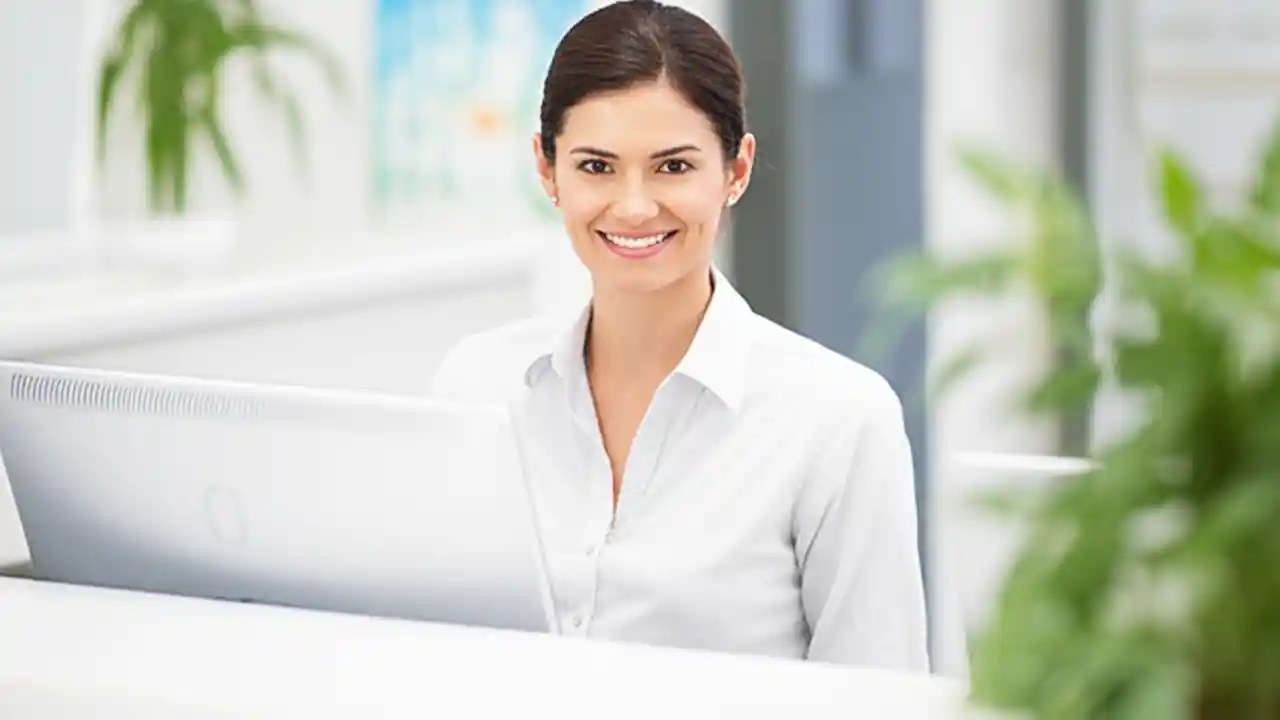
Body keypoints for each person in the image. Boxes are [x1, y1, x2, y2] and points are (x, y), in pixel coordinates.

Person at [432, 0, 928, 672]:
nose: (634, 206)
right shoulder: (477, 383)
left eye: (673, 166)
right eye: (596, 166)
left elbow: (883, 695)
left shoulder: (838, 421)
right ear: (548, 171)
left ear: (737, 170)